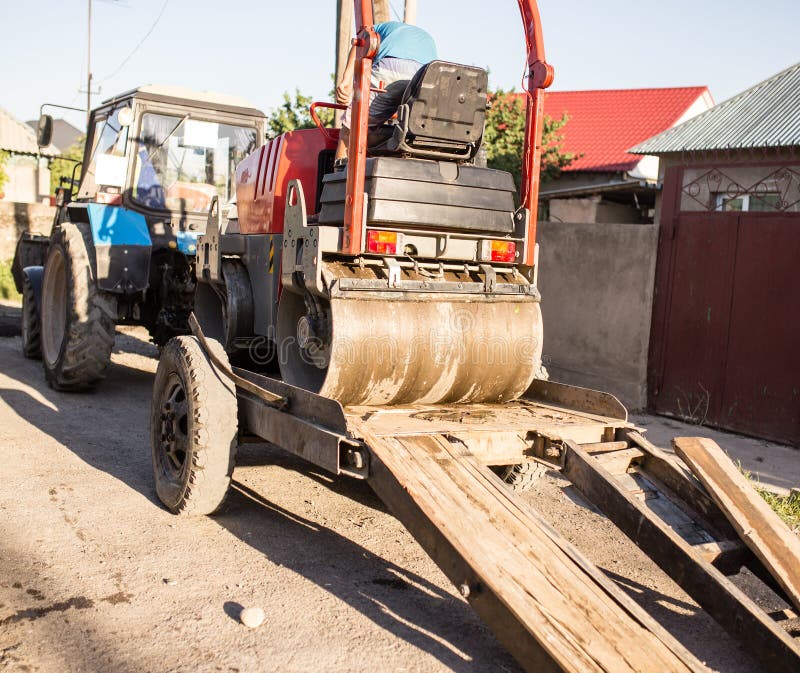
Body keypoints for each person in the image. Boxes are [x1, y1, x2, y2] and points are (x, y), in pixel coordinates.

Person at [335, 21, 436, 161]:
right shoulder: (427, 39)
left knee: (351, 131)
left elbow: (360, 43)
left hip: (390, 68)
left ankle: (337, 179)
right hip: (423, 75)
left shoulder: (378, 28)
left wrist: (346, 78)